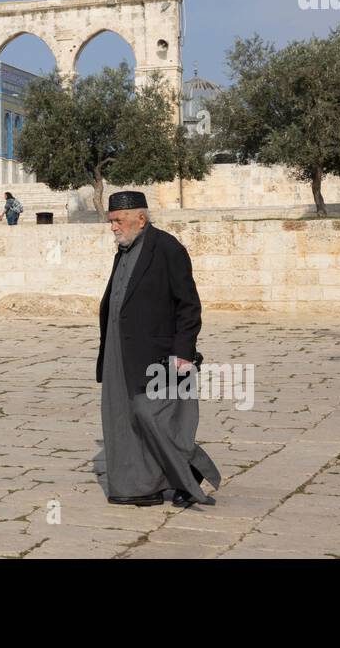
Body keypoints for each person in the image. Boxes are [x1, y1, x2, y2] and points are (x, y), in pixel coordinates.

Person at [97, 190, 221, 507]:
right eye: (111, 221)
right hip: (117, 351)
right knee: (121, 419)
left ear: (141, 218)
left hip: (155, 352)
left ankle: (193, 469)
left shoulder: (167, 249)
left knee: (151, 415)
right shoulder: (124, 251)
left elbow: (189, 306)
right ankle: (137, 486)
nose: (113, 227)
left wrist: (183, 351)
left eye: (118, 220)